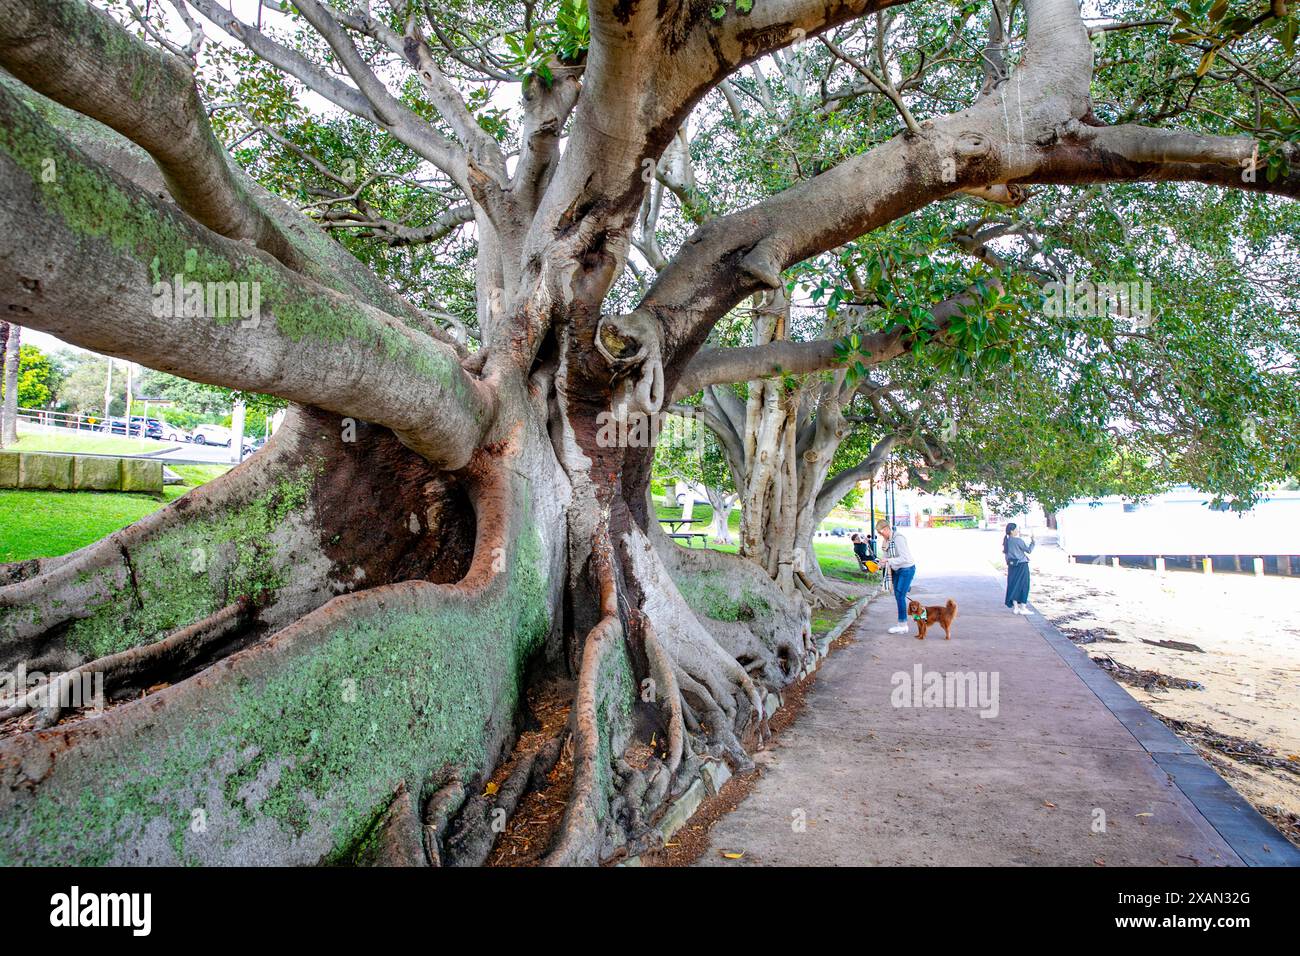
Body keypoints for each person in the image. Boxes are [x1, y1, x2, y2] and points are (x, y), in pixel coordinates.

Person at [877, 519, 915, 634]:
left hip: (907, 569)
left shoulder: (898, 538)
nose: (880, 535)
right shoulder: (887, 540)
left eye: (881, 532)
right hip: (897, 570)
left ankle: (902, 625)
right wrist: (879, 564)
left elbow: (905, 558)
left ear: (887, 529)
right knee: (898, 595)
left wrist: (888, 560)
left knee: (900, 595)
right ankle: (902, 624)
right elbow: (885, 555)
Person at [1003, 522, 1035, 615]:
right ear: (1012, 531)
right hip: (1022, 565)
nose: (1017, 531)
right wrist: (1033, 541)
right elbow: (1028, 550)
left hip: (1012, 566)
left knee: (1013, 585)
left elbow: (1006, 555)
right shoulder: (1018, 540)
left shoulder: (1007, 541)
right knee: (1024, 585)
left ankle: (1016, 607)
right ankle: (1023, 607)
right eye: (1016, 529)